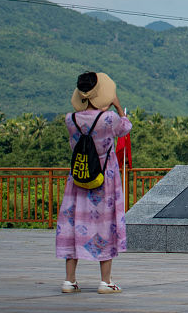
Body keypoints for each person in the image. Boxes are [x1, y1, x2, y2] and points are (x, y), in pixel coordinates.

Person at [56, 71, 132, 294]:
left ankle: (69, 281)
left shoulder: (71, 119)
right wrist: (118, 107)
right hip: (104, 178)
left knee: (73, 223)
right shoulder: (110, 119)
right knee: (104, 224)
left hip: (79, 177)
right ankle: (105, 281)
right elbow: (125, 128)